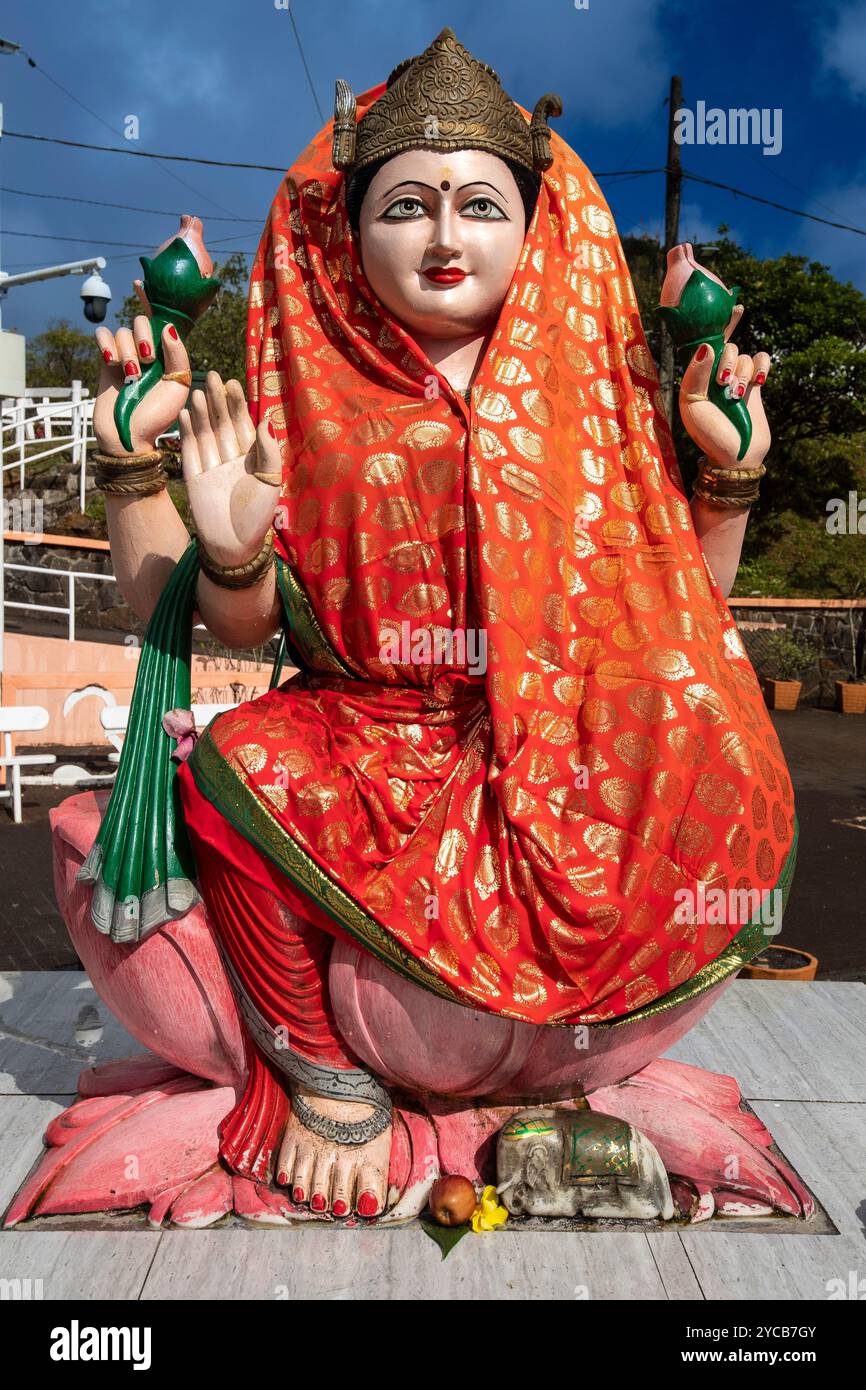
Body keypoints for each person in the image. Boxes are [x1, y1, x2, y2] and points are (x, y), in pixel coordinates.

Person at [89, 28, 795, 1220]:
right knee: (228, 763)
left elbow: (667, 617)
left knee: (714, 745)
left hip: (553, 733)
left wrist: (724, 480)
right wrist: (199, 524)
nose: (442, 237)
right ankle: (323, 1074)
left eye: (478, 204)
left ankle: (568, 1038)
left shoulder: (596, 403)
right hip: (370, 733)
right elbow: (236, 622)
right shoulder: (306, 402)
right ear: (347, 231)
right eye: (404, 207)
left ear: (533, 230)